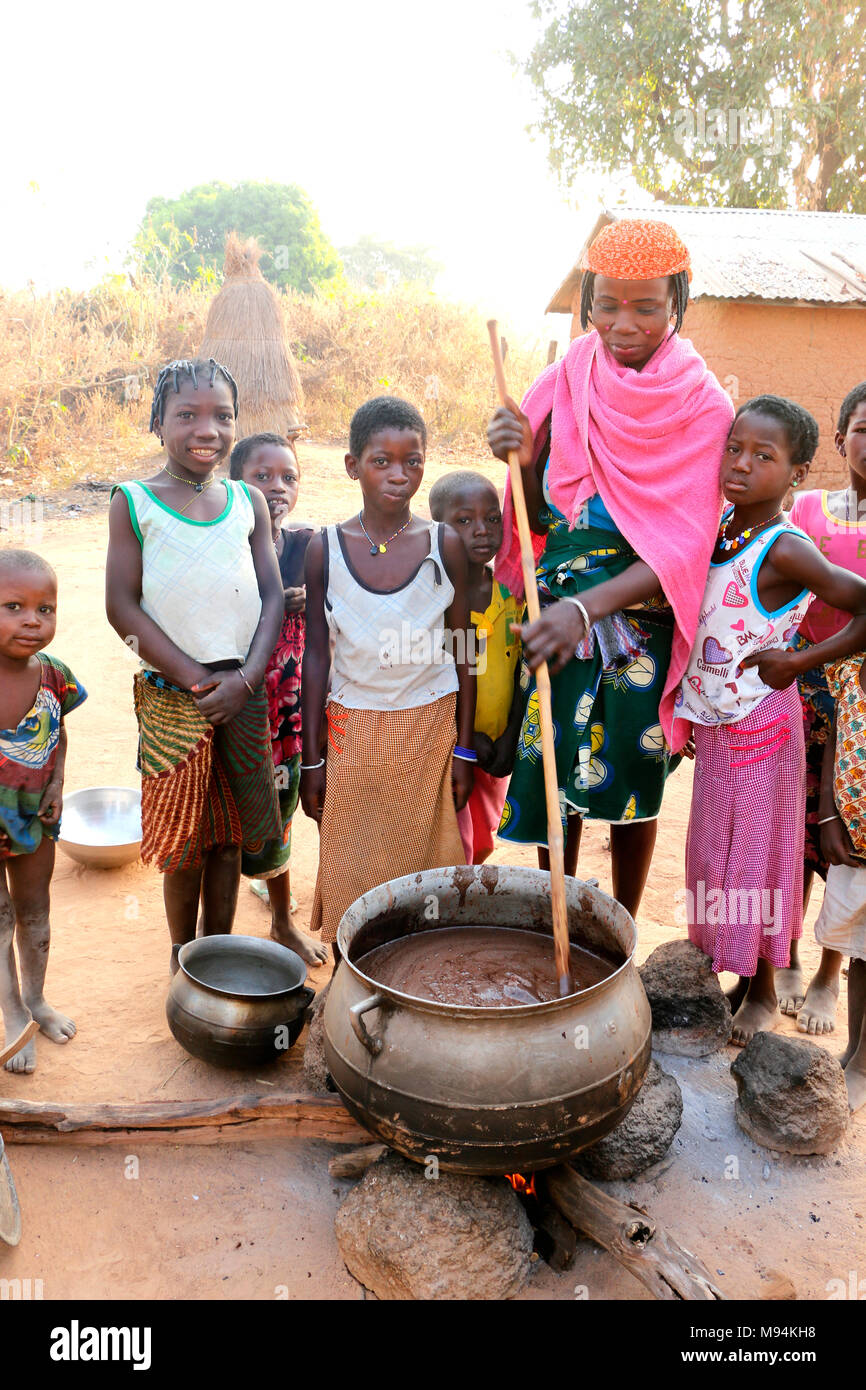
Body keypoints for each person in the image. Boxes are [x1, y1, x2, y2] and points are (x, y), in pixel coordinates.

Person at [488, 218, 733, 916]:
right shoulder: (562, 383)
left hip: (641, 616)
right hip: (560, 608)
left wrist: (585, 611)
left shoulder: (702, 406)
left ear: (677, 306)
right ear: (587, 302)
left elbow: (684, 549)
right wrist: (524, 458)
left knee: (633, 774)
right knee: (554, 766)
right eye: (607, 304)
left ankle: (621, 931)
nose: (624, 323)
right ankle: (557, 914)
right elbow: (537, 522)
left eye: (646, 306)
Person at [677, 396, 866, 1045]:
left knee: (754, 861)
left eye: (764, 456)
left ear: (798, 474)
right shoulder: (721, 526)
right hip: (719, 727)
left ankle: (761, 989)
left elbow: (862, 604)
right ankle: (734, 976)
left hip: (763, 725)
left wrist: (800, 660)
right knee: (715, 853)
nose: (741, 464)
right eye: (734, 449)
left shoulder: (786, 549)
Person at [106, 358, 283, 970]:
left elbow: (272, 597)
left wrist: (246, 679)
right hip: (175, 694)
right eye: (187, 415)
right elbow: (121, 609)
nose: (207, 429)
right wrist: (197, 678)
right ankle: (183, 955)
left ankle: (219, 951)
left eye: (222, 416)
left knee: (231, 835)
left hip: (243, 685)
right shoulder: (134, 502)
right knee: (182, 841)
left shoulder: (247, 501)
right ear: (158, 422)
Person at [301, 396, 474, 958]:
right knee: (353, 863)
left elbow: (464, 648)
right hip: (353, 733)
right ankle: (354, 976)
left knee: (427, 876)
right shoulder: (322, 549)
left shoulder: (443, 543)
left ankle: (421, 980)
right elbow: (317, 659)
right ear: (353, 465)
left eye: (413, 461)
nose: (400, 476)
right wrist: (312, 759)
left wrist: (465, 751)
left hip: (428, 732)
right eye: (382, 461)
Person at [777, 381, 866, 1032]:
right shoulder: (805, 509)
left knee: (844, 838)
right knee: (791, 826)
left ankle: (829, 974)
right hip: (797, 693)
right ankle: (783, 953)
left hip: (860, 707)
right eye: (862, 428)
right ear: (840, 440)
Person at [229, 432, 327, 965]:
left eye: (288, 477)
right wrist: (267, 604)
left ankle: (284, 922)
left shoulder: (309, 546)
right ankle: (209, 935)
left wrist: (316, 598)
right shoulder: (224, 549)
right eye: (261, 476)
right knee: (236, 817)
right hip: (240, 708)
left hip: (294, 712)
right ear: (233, 484)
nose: (277, 487)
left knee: (286, 813)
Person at [0, 550, 86, 1073]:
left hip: (35, 816)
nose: (33, 620)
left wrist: (57, 781)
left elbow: (58, 733)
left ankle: (36, 1001)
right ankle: (10, 1013)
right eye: (14, 606)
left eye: (45, 608)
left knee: (35, 913)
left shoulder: (54, 676)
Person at [428, 471, 523, 864]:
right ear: (437, 528)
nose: (481, 531)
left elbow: (525, 674)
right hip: (447, 746)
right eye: (463, 521)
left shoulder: (514, 594)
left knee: (482, 841)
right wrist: (464, 742)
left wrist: (510, 737)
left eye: (492, 518)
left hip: (498, 746)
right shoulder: (432, 597)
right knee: (456, 845)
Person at [812, 656, 866, 1110]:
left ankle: (864, 1066)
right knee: (861, 953)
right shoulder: (851, 674)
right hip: (854, 844)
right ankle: (854, 1050)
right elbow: (834, 743)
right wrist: (828, 814)